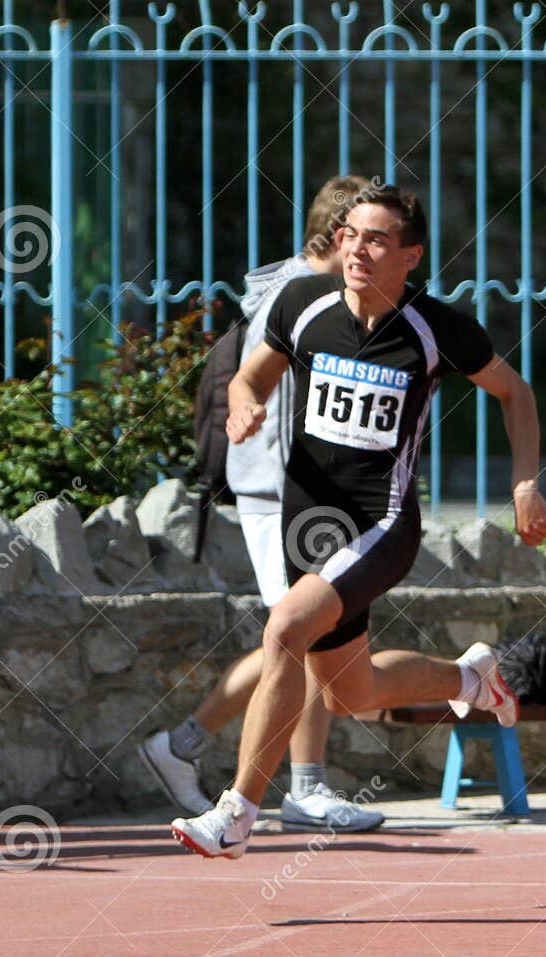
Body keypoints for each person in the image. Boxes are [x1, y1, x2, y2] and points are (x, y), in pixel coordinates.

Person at [170, 182, 546, 858]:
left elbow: (515, 392)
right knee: (352, 691)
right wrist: (241, 405)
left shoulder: (436, 327)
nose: (357, 248)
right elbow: (249, 378)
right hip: (305, 525)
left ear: (409, 255)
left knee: (286, 627)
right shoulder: (301, 302)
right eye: (352, 233)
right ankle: (473, 679)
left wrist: (525, 482)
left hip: (380, 525)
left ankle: (236, 813)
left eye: (377, 238)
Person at [138, 176, 389, 833]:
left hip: (298, 495)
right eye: (363, 237)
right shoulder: (295, 298)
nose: (374, 253)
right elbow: (272, 408)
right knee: (300, 634)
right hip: (277, 493)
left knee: (302, 633)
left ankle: (192, 748)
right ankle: (284, 781)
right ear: (340, 236)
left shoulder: (320, 293)